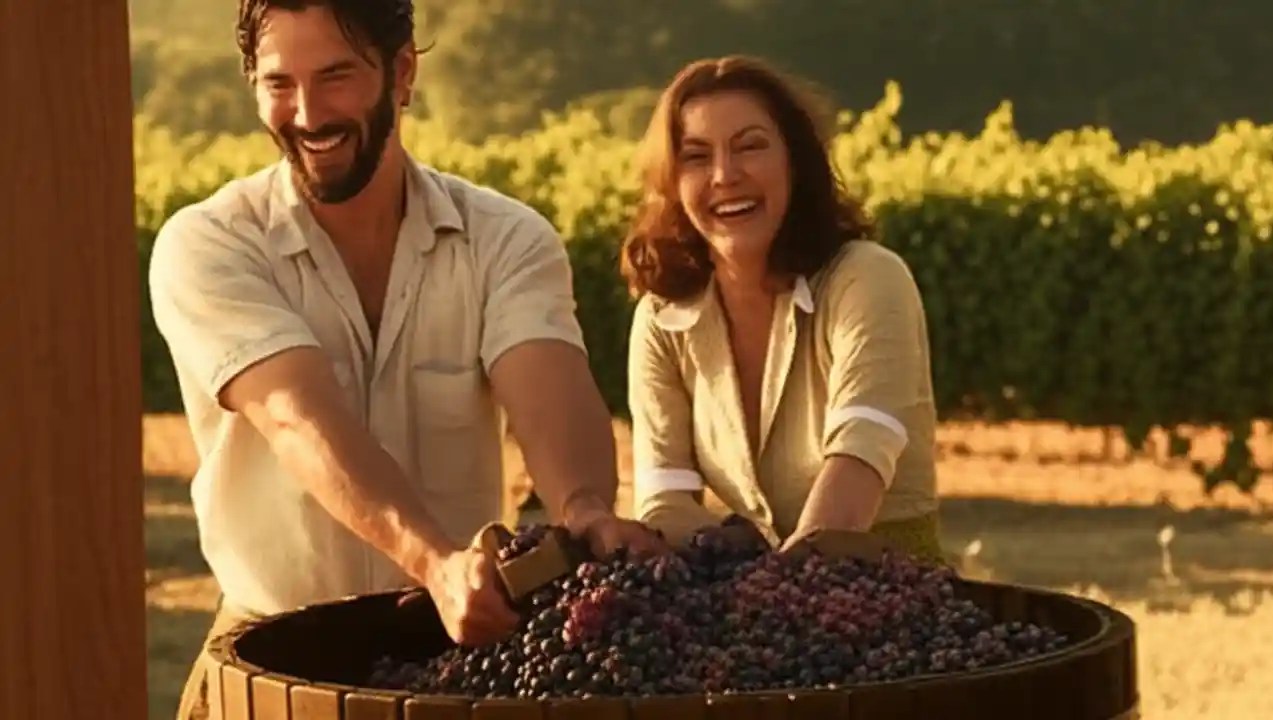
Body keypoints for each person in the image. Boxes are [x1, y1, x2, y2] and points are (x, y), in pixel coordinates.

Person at [148, 1, 664, 718]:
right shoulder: (210, 246)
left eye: (335, 77)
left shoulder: (505, 239)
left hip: (460, 663)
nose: (307, 113)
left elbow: (545, 379)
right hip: (265, 662)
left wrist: (583, 510)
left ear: (402, 72)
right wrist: (434, 563)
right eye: (279, 83)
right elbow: (296, 415)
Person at [621, 55, 945, 562]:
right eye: (696, 157)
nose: (725, 175)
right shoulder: (663, 321)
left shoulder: (866, 278)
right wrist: (741, 567)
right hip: (758, 602)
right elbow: (664, 504)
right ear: (671, 183)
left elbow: (857, 465)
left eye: (751, 146)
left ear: (795, 163)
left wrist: (776, 592)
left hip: (890, 598)